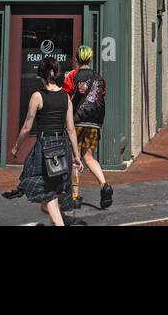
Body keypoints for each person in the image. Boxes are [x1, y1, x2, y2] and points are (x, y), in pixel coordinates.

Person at [11, 56, 83, 226]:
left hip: (46, 147)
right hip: (62, 144)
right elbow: (71, 129)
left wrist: (16, 147)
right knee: (51, 194)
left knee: (49, 195)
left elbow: (27, 127)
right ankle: (57, 219)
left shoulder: (37, 96)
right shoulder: (66, 97)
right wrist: (76, 154)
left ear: (41, 76)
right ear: (56, 74)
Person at [62, 45, 112, 210]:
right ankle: (104, 185)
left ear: (76, 58)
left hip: (76, 121)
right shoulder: (99, 78)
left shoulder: (71, 76)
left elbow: (66, 97)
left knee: (75, 159)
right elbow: (100, 95)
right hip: (94, 122)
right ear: (90, 59)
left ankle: (75, 197)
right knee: (89, 157)